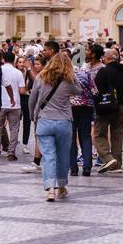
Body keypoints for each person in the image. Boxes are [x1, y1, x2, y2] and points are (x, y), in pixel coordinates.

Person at [29, 52, 82, 201]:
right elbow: (80, 90)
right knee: (63, 156)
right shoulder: (69, 80)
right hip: (64, 122)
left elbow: (32, 99)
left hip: (44, 121)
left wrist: (33, 116)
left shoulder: (41, 77)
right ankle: (62, 185)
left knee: (48, 156)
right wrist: (73, 75)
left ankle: (50, 188)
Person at [93, 48, 123, 173]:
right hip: (121, 107)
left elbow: (96, 90)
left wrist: (95, 105)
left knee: (99, 134)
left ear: (109, 58)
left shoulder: (103, 72)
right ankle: (117, 164)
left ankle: (108, 158)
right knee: (117, 135)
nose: (103, 59)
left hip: (106, 107)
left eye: (104, 57)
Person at [70, 44, 100, 177]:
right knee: (85, 136)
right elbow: (95, 91)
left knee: (71, 137)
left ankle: (73, 168)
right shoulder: (86, 72)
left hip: (70, 107)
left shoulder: (67, 73)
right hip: (86, 107)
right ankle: (87, 167)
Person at [1, 51, 26, 161]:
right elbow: (21, 90)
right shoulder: (18, 73)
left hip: (1, 103)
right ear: (14, 60)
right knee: (14, 129)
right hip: (15, 104)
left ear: (3, 59)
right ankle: (11, 152)